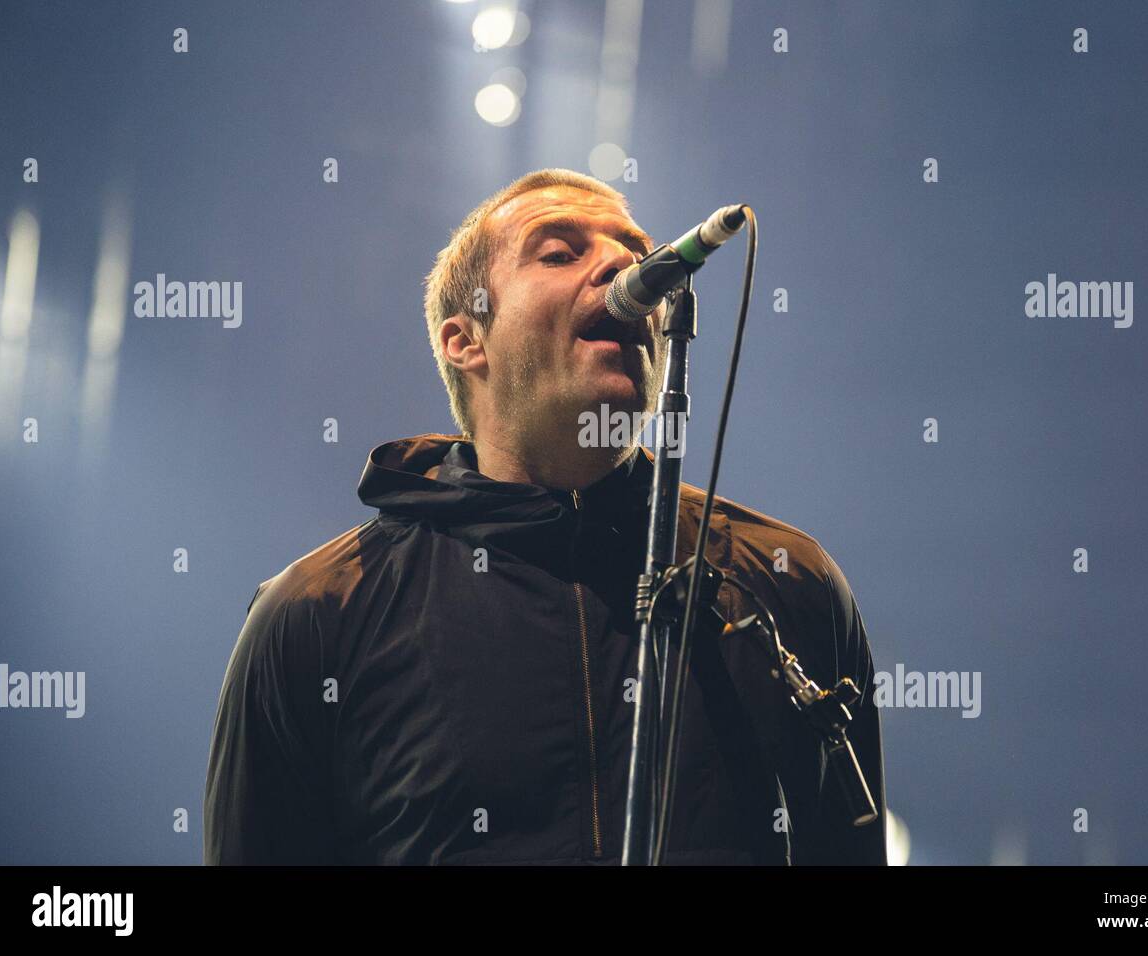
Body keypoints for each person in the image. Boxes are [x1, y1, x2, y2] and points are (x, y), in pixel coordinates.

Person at [203, 168, 887, 865]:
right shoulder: (317, 615)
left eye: (631, 247)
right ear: (465, 340)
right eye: (558, 252)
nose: (623, 264)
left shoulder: (788, 579)